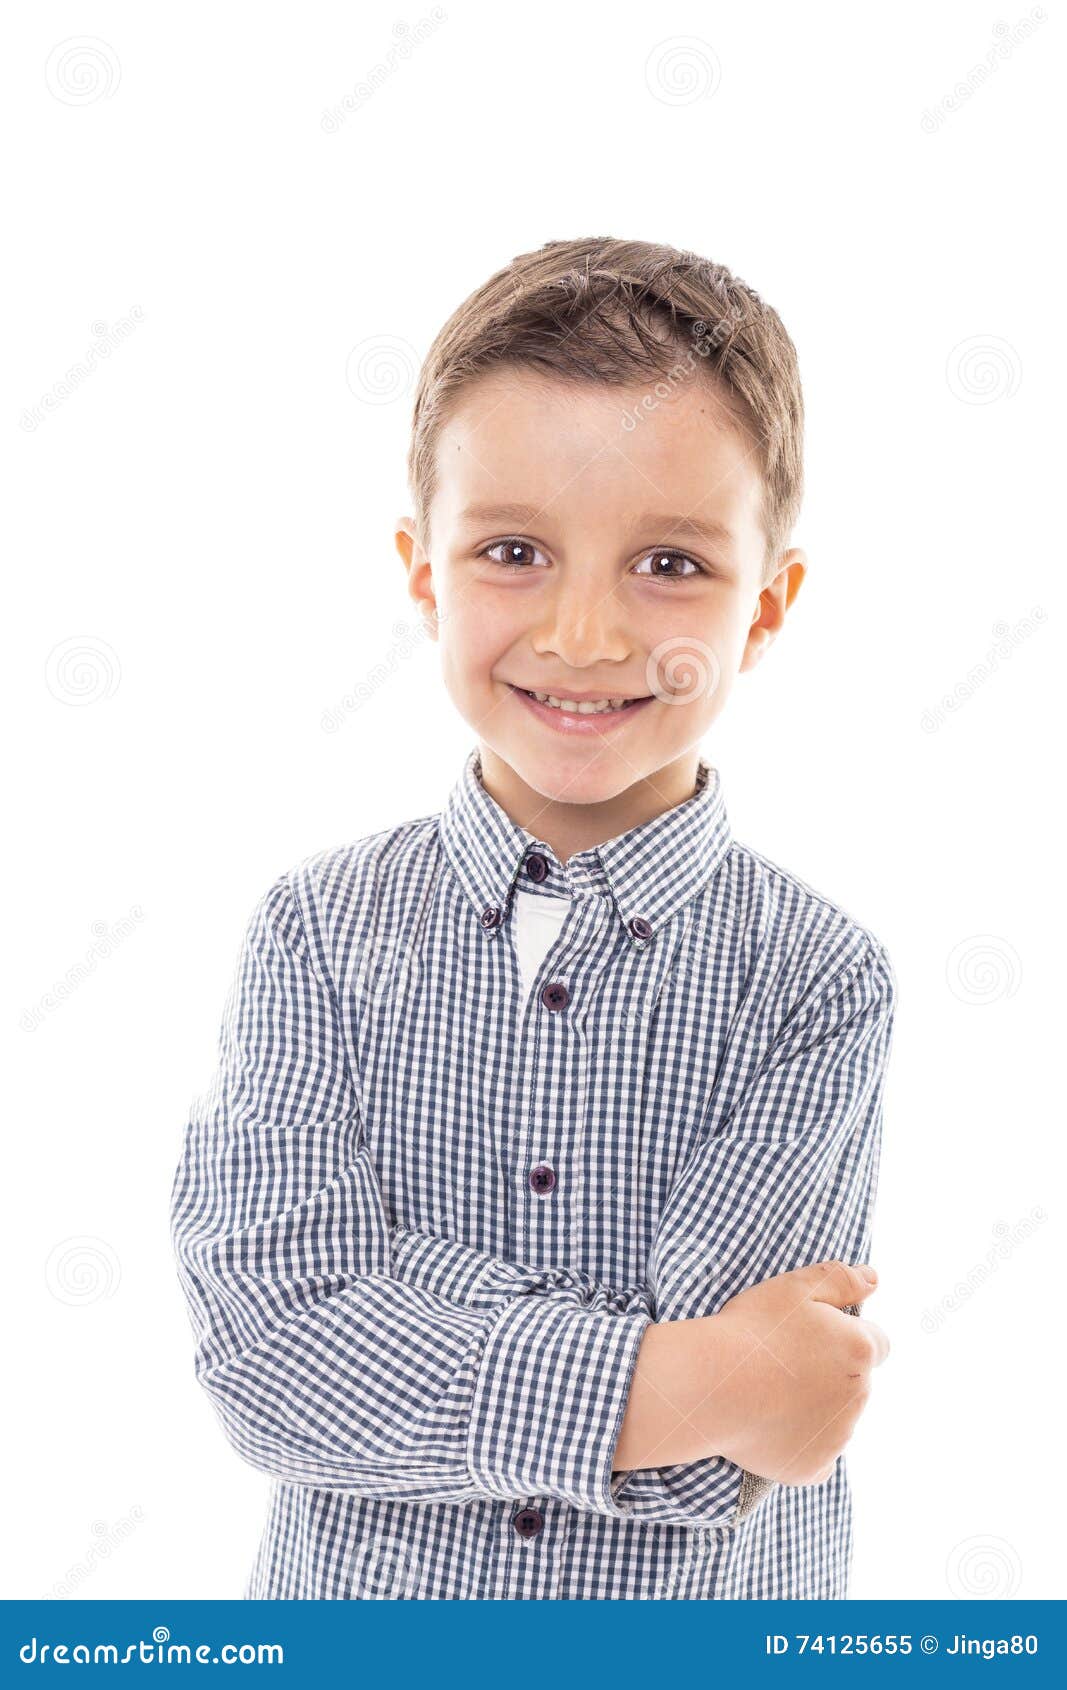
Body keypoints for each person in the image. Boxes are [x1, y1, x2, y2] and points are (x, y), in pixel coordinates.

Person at [169, 236, 897, 1600]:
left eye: (670, 563)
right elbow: (272, 1363)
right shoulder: (315, 936)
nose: (582, 632)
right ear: (423, 572)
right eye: (513, 549)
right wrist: (681, 1369)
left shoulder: (818, 980)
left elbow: (722, 1460)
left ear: (769, 606)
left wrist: (404, 1303)